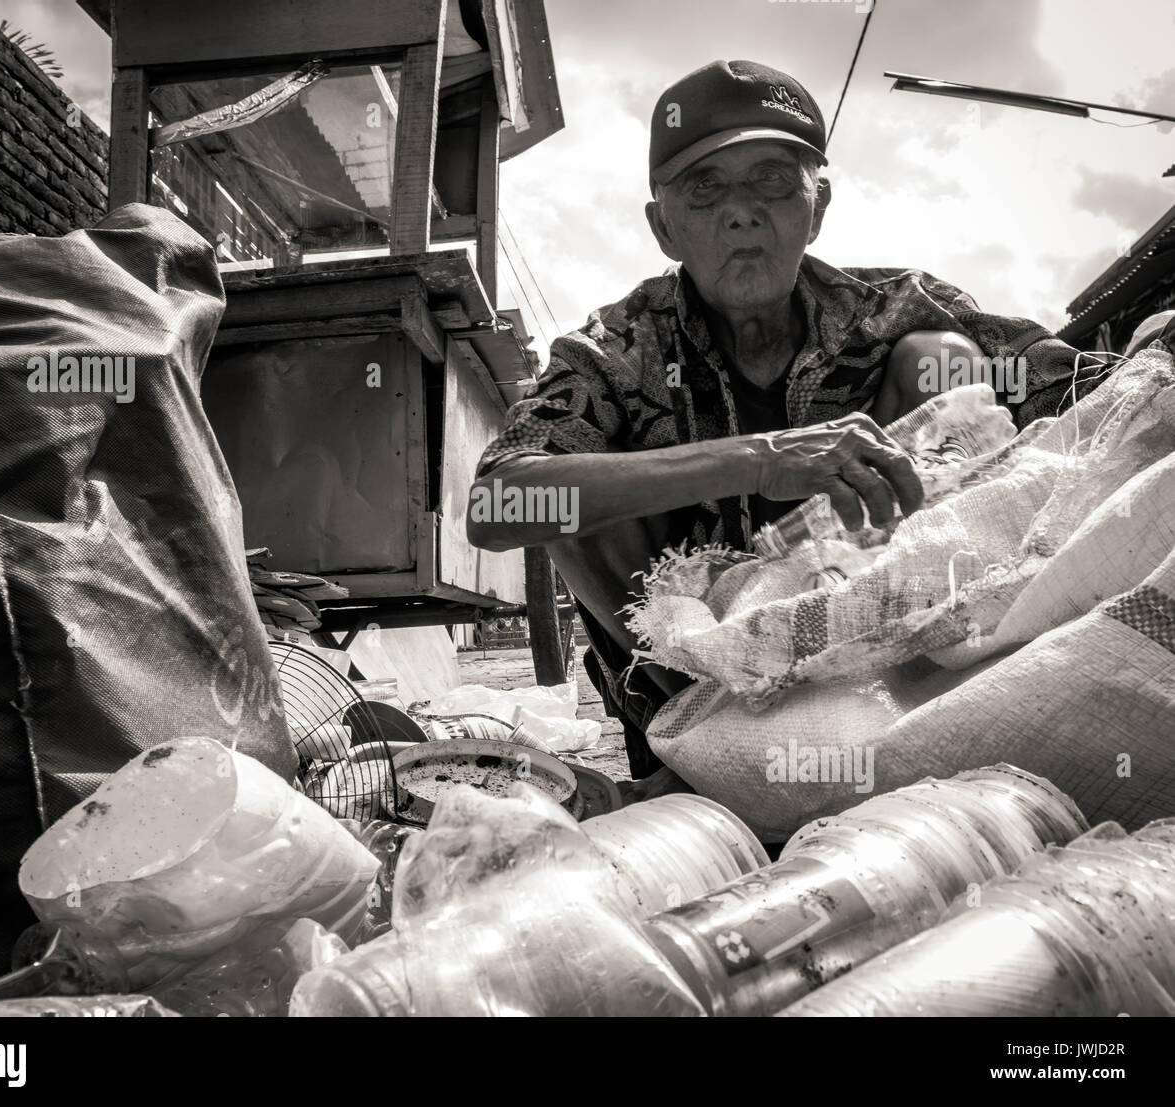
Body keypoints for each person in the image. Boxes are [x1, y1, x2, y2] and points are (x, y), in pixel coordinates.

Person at [466, 60, 1110, 795]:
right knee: (564, 487)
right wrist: (757, 459)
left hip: (875, 660)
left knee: (948, 362)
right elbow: (495, 507)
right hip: (689, 686)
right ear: (663, 227)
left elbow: (1074, 378)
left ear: (819, 204)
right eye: (704, 187)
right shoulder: (612, 350)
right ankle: (700, 757)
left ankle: (931, 680)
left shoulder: (891, 308)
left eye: (772, 177)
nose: (740, 212)